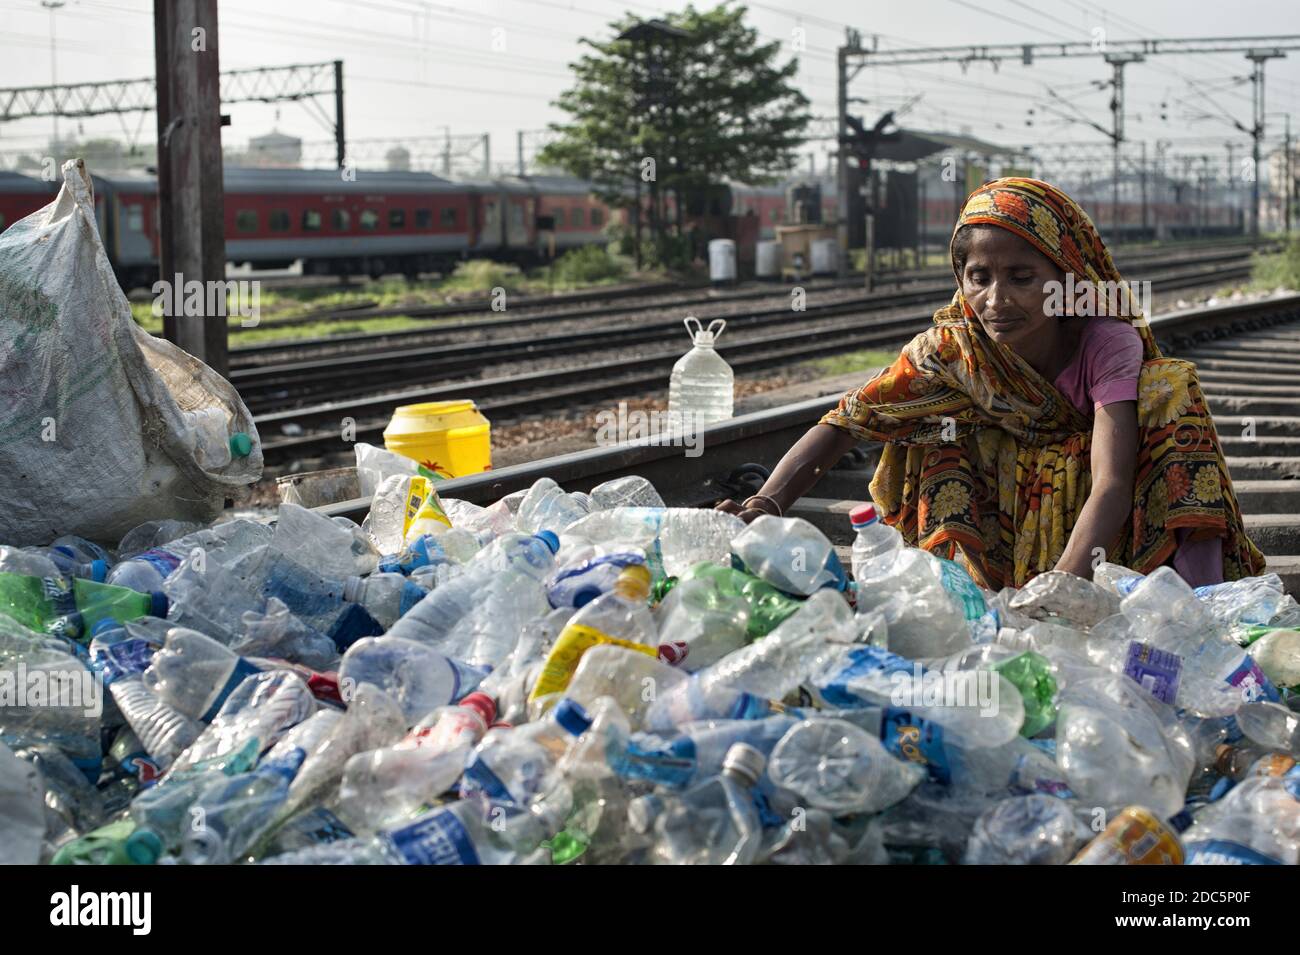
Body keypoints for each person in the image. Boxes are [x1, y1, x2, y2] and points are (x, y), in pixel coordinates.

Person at [717, 177, 1265, 589]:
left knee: (1169, 391)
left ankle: (1197, 601)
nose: (997, 300)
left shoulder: (1103, 340)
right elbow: (844, 424)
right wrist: (766, 503)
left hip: (1100, 529)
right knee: (937, 435)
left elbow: (1112, 481)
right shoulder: (952, 350)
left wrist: (1065, 585)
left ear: (1065, 279)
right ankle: (961, 593)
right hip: (1004, 512)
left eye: (1022, 278)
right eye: (979, 278)